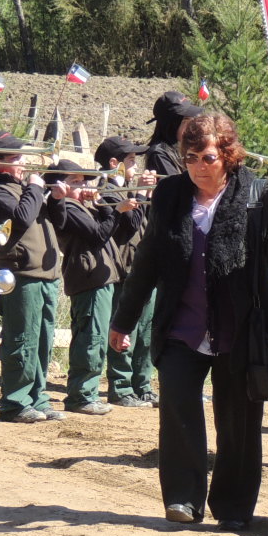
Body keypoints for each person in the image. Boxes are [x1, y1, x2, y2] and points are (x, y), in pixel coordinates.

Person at [110, 112, 268, 528]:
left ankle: (233, 508)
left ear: (229, 155)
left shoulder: (260, 193)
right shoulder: (170, 195)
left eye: (209, 157)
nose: (199, 166)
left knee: (238, 424)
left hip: (241, 330)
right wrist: (123, 321)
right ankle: (183, 499)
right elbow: (148, 262)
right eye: (192, 157)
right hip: (182, 327)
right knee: (178, 410)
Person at [0, 130, 64, 423]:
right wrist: (35, 187)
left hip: (45, 274)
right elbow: (22, 219)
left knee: (42, 340)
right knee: (22, 340)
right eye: (14, 158)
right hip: (20, 274)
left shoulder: (23, 188)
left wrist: (58, 199)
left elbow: (57, 222)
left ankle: (38, 397)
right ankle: (15, 402)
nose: (22, 162)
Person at [48, 157, 129, 417]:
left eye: (84, 180)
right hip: (89, 279)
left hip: (99, 278)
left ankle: (86, 391)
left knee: (95, 335)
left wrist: (101, 205)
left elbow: (109, 232)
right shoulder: (68, 207)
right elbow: (98, 235)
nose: (83, 185)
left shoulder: (83, 206)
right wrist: (113, 209)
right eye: (76, 181)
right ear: (61, 184)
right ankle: (82, 395)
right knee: (90, 337)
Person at [95, 137, 158, 408]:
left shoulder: (130, 191)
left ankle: (142, 384)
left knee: (146, 333)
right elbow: (130, 226)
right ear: (114, 164)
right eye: (131, 160)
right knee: (124, 333)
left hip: (144, 269)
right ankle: (121, 387)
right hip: (123, 272)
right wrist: (141, 195)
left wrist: (149, 197)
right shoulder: (106, 192)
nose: (136, 165)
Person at [144, 91, 207, 179]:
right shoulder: (158, 154)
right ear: (172, 125)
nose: (192, 126)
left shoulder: (180, 148)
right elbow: (177, 188)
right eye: (186, 121)